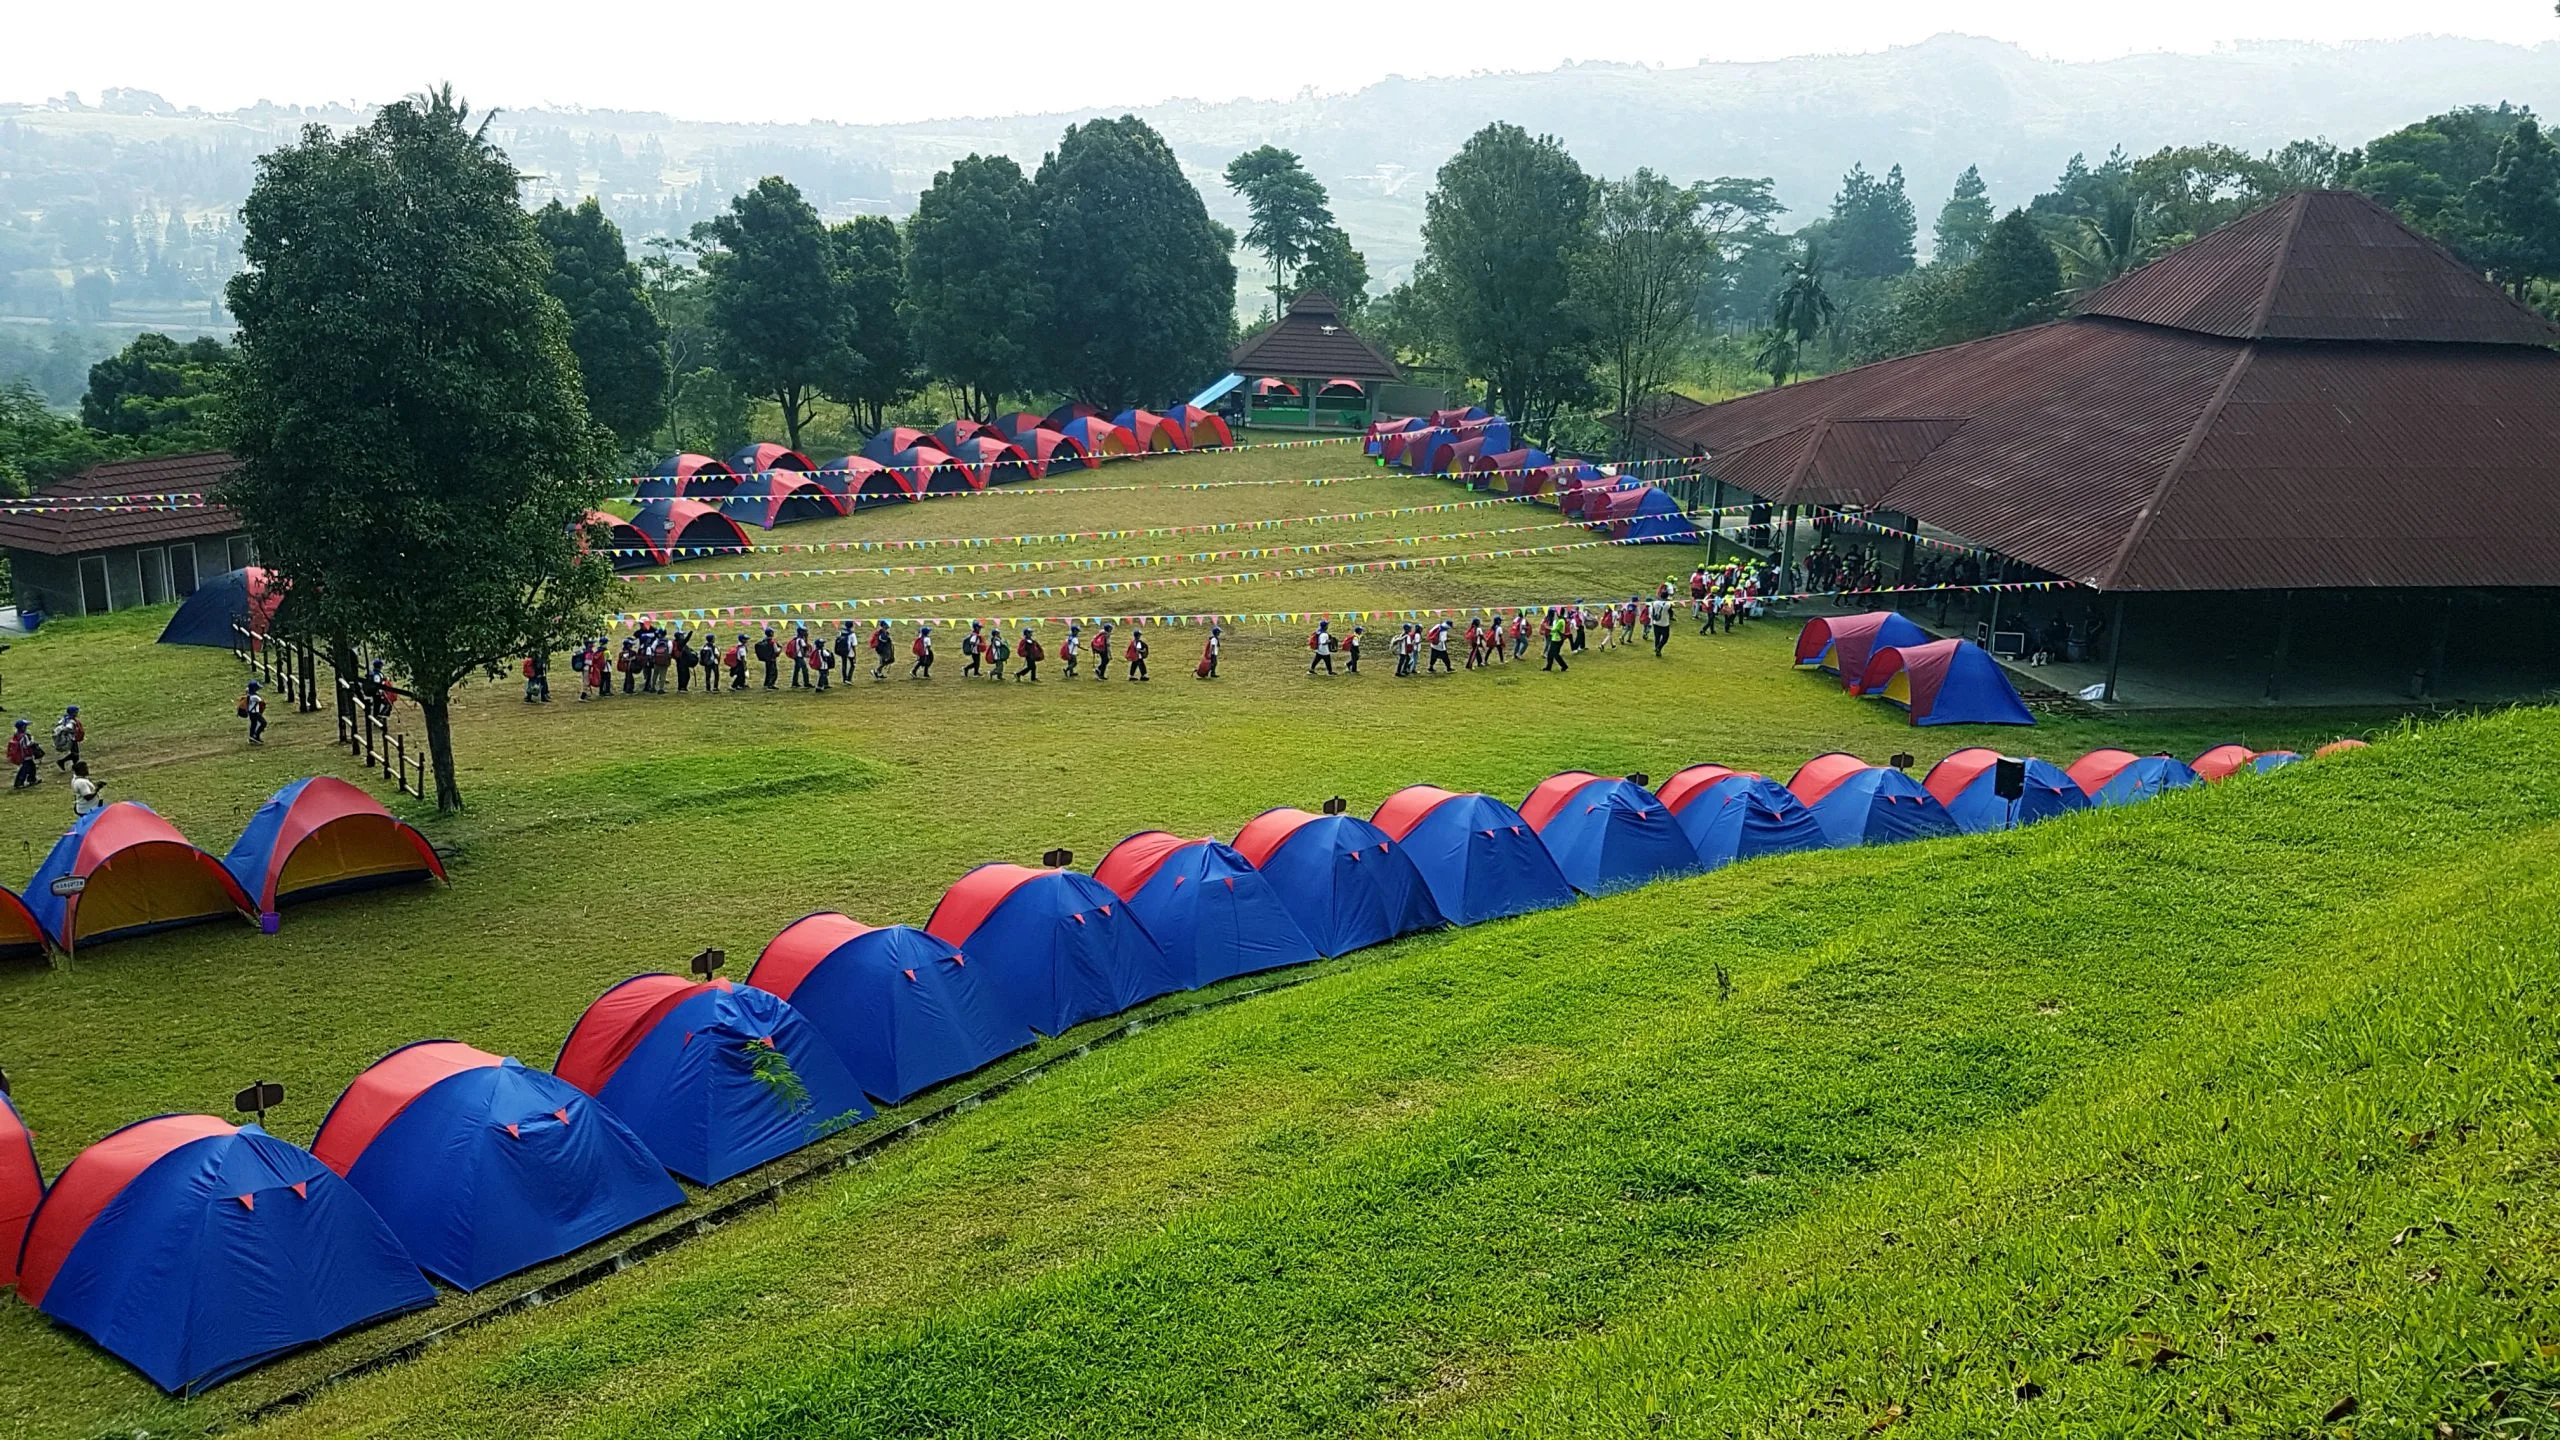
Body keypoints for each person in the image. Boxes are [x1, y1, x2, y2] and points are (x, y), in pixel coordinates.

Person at [10, 718, 39, 786]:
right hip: (26, 756)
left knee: (31, 768)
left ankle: (32, 779)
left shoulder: (17, 734)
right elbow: (26, 745)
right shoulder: (24, 736)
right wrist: (32, 740)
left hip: (21, 755)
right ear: (23, 727)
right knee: (25, 770)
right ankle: (20, 783)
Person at [52, 706, 82, 771]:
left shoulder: (65, 718)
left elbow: (59, 725)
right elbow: (69, 728)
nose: (77, 713)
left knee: (75, 753)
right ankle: (62, 762)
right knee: (75, 754)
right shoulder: (71, 721)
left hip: (68, 738)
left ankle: (74, 766)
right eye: (76, 712)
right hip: (71, 739)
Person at [1543, 608, 1570, 672]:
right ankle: (1548, 667)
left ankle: (1564, 666)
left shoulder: (1561, 621)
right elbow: (1554, 628)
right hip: (1555, 638)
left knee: (1555, 654)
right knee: (1551, 654)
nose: (1556, 614)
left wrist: (1547, 627)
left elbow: (1555, 629)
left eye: (1557, 612)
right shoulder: (1560, 620)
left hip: (1558, 639)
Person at [673, 627, 697, 693]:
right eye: (682, 635)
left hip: (681, 662)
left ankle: (681, 687)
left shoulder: (678, 643)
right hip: (682, 662)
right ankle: (683, 688)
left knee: (681, 675)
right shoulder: (680, 643)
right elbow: (686, 640)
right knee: (685, 675)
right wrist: (690, 633)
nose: (683, 636)